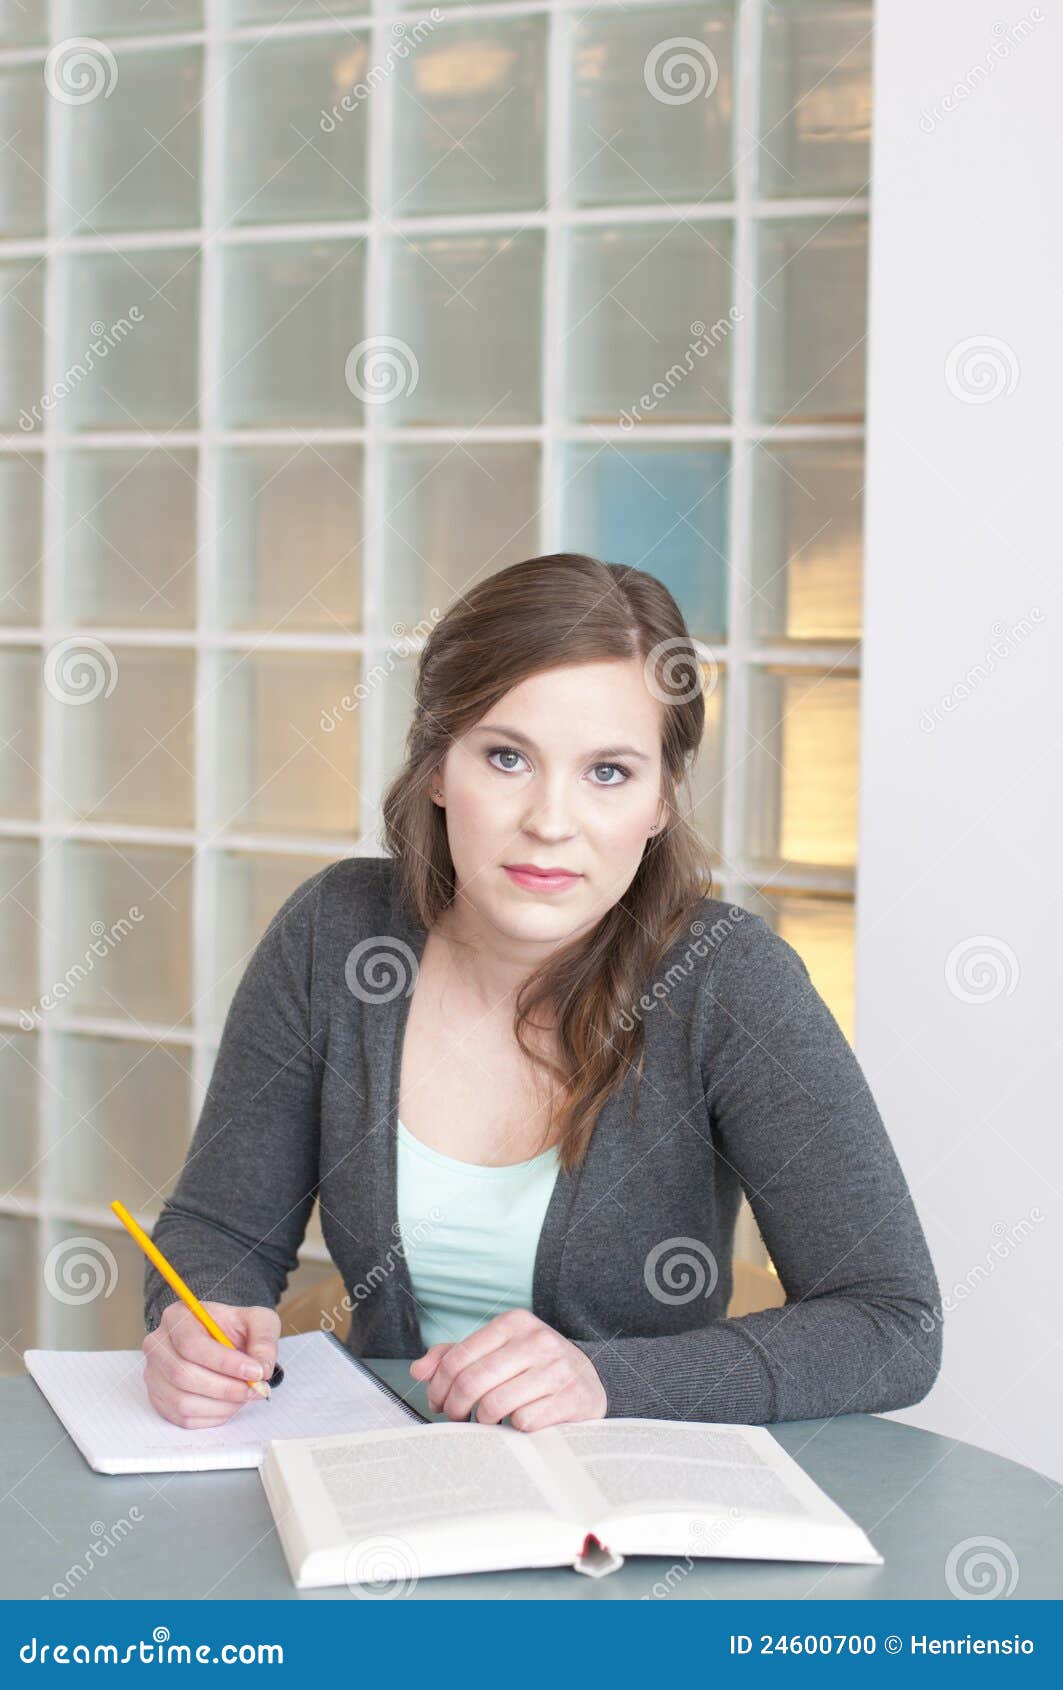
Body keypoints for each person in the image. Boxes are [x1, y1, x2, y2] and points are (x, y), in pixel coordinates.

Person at [142, 551, 942, 1432]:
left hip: (622, 1516)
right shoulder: (337, 934)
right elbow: (220, 1232)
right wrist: (198, 1319)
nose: (551, 823)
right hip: (382, 1488)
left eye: (608, 772)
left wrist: (606, 1384)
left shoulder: (725, 980)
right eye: (506, 758)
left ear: (661, 802)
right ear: (437, 768)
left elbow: (891, 1323)